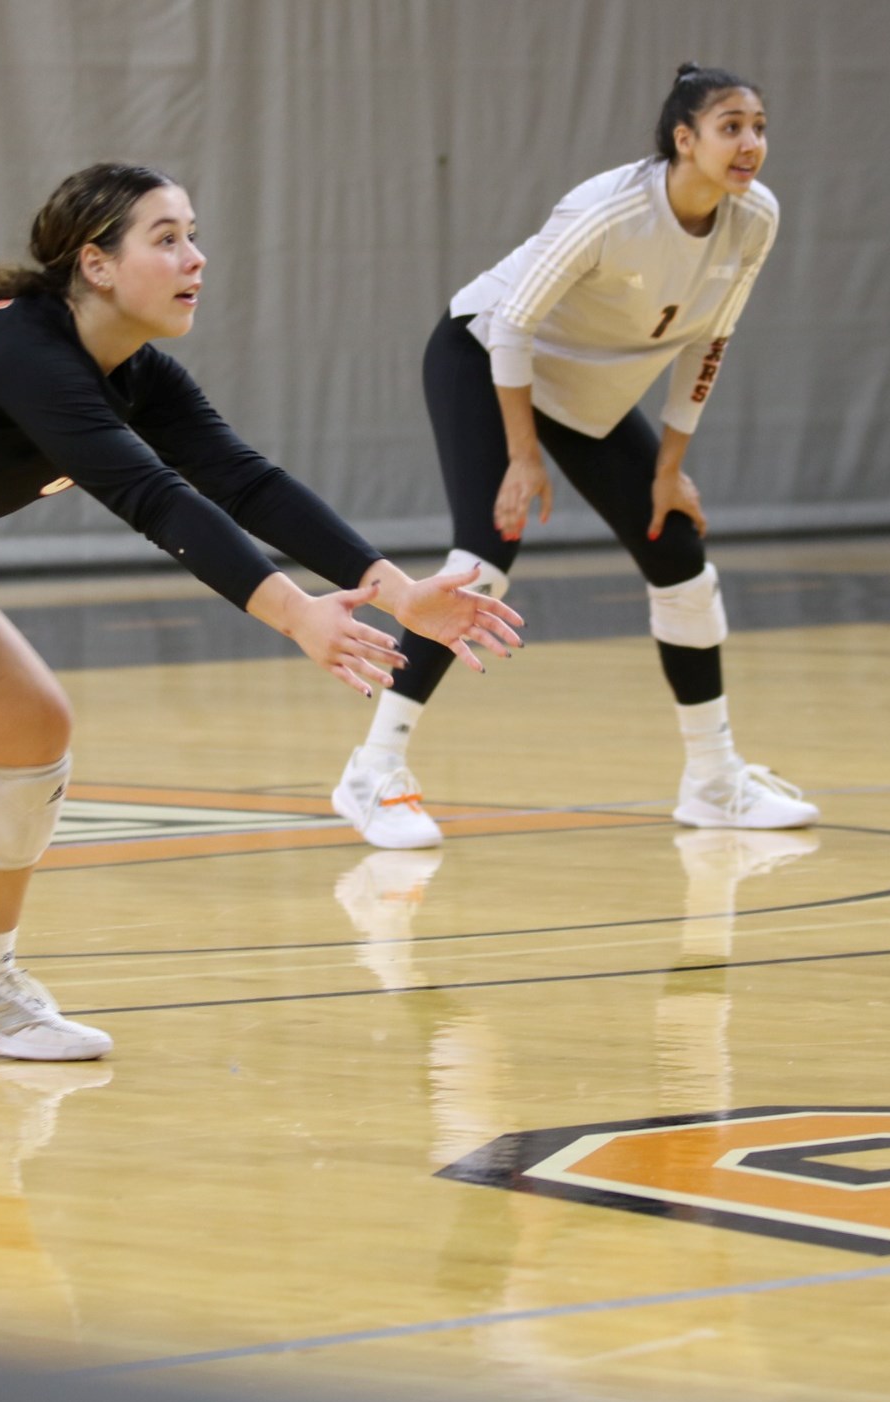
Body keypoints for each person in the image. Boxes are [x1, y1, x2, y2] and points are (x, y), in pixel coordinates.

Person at [0, 162, 525, 1118]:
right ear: (98, 264)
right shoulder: (22, 349)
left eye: (194, 234)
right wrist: (295, 613)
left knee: (30, 733)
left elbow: (242, 478)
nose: (195, 256)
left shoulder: (135, 372)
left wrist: (395, 590)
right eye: (166, 238)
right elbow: (151, 496)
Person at [328, 63, 818, 850]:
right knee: (483, 557)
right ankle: (372, 770)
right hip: (484, 353)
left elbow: (711, 341)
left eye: (759, 126)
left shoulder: (754, 217)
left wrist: (669, 467)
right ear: (684, 139)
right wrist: (522, 455)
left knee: (681, 554)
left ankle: (714, 781)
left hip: (585, 394)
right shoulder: (611, 208)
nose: (751, 143)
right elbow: (515, 324)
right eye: (731, 126)